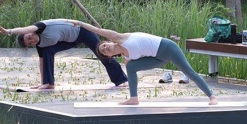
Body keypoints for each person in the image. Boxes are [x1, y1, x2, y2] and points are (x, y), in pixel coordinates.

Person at [70, 20, 216, 105]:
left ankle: (211, 97)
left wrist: (79, 23)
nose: (105, 48)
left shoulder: (119, 38)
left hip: (168, 48)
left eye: (104, 45)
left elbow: (97, 30)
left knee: (189, 73)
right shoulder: (126, 58)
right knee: (131, 67)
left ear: (108, 42)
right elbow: (130, 70)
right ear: (109, 56)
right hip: (159, 58)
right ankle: (134, 98)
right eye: (104, 51)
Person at [0, 19, 127, 91]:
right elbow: (42, 63)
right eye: (29, 43)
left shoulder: (39, 26)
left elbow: (26, 29)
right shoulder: (41, 45)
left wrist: (8, 31)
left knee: (102, 54)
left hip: (82, 32)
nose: (32, 40)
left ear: (31, 32)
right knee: (48, 52)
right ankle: (49, 83)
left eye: (29, 37)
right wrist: (43, 82)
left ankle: (121, 80)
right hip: (69, 40)